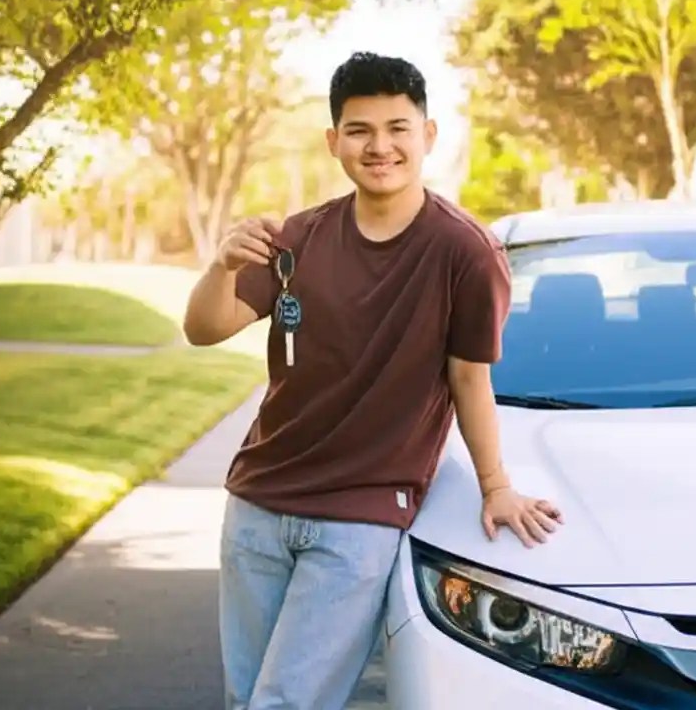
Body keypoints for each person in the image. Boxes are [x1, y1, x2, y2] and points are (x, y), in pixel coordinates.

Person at [182, 51, 564, 710]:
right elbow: (204, 329)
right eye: (359, 130)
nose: (379, 146)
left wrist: (496, 485)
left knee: (285, 704)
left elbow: (469, 377)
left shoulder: (466, 252)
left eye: (397, 128)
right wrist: (220, 267)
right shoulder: (297, 239)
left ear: (428, 135)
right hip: (258, 505)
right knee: (247, 701)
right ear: (333, 141)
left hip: (357, 521)